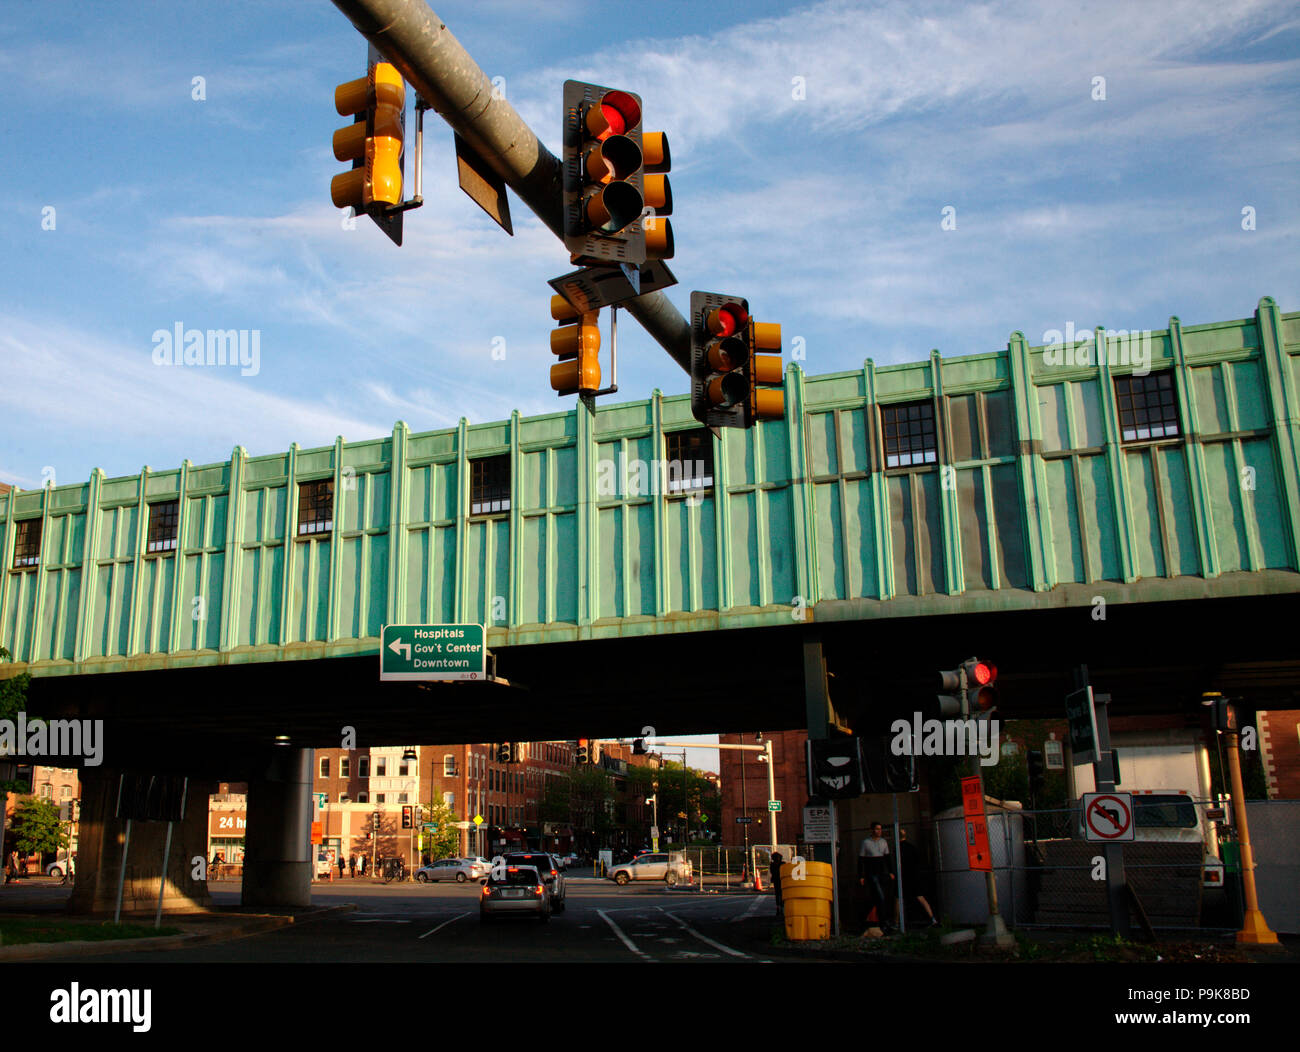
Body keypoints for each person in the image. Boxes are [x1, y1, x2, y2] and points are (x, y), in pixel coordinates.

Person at [896, 828, 939, 928]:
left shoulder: (897, 848)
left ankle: (896, 921)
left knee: (898, 897)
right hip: (914, 874)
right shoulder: (912, 847)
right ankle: (932, 918)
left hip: (903, 875)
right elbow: (917, 861)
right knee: (920, 897)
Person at [858, 822, 893, 932]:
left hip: (881, 873)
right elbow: (861, 860)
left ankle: (861, 919)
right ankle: (884, 923)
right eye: (877, 829)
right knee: (880, 897)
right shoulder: (866, 843)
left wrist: (891, 872)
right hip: (871, 873)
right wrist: (861, 875)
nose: (879, 831)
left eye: (880, 829)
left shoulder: (883, 842)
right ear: (872, 830)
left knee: (875, 898)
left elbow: (887, 858)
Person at [769, 851, 785, 916]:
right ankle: (781, 906)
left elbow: (772, 872)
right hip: (782, 880)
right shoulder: (783, 864)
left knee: (777, 893)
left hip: (776, 880)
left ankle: (778, 906)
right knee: (782, 894)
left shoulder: (772, 865)